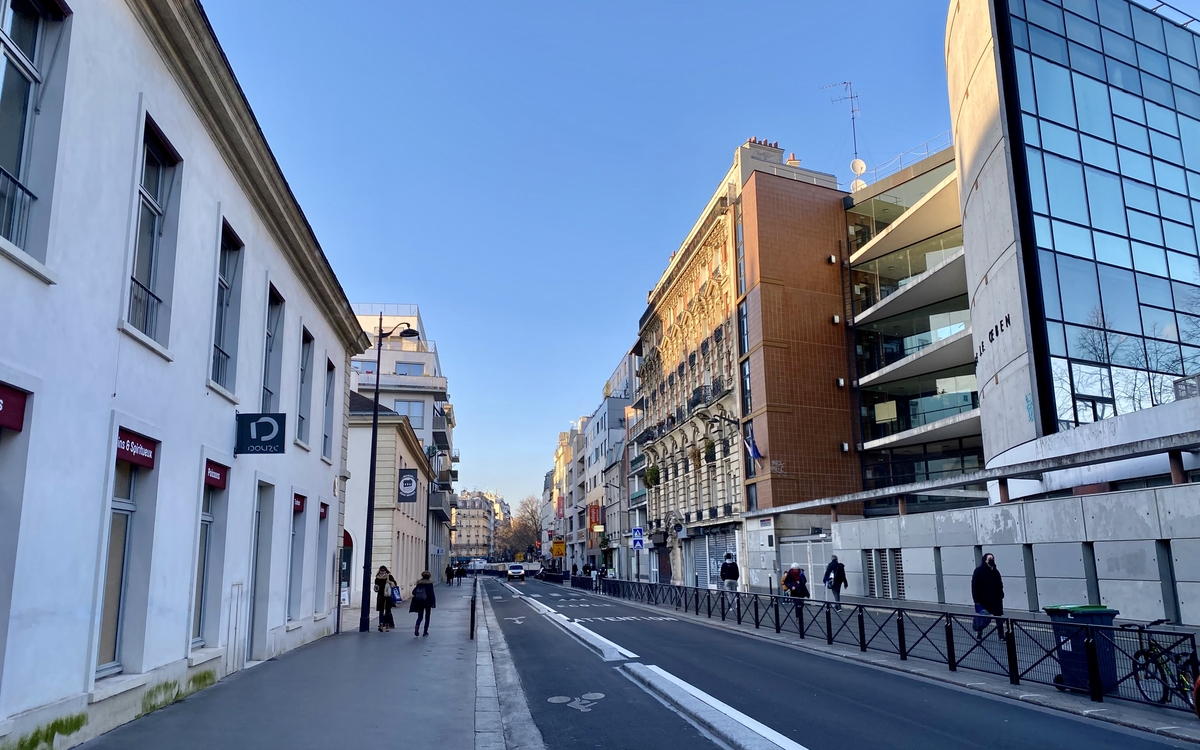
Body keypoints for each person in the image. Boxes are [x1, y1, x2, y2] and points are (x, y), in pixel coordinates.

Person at [972, 552, 1005, 640]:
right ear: (985, 560)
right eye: (989, 559)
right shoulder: (978, 571)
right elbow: (975, 586)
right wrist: (976, 600)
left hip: (996, 599)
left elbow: (1000, 583)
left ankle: (1001, 635)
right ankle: (979, 634)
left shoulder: (995, 571)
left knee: (999, 617)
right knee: (982, 617)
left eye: (993, 559)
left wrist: (1001, 594)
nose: (992, 560)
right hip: (983, 599)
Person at [410, 571, 437, 637]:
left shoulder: (419, 583)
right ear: (429, 577)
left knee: (420, 617)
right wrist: (433, 603)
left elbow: (413, 592)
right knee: (427, 617)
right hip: (427, 602)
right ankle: (425, 631)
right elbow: (431, 594)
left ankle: (417, 625)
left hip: (419, 601)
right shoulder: (429, 584)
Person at [373, 566, 397, 632]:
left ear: (386, 571)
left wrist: (390, 582)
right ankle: (381, 624)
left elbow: (394, 584)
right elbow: (376, 587)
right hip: (380, 596)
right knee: (381, 611)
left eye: (383, 570)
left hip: (388, 596)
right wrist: (376, 587)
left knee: (387, 611)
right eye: (381, 570)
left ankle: (387, 625)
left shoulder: (389, 576)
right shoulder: (377, 578)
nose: (382, 572)